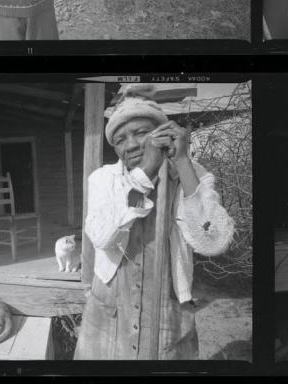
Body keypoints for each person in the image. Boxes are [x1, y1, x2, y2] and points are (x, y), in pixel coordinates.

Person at [74, 85, 235, 361]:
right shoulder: (104, 179)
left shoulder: (190, 175)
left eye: (140, 133)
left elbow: (214, 241)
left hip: (166, 306)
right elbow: (102, 236)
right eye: (121, 139)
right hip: (111, 304)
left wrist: (183, 162)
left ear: (162, 133)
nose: (132, 145)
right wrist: (145, 173)